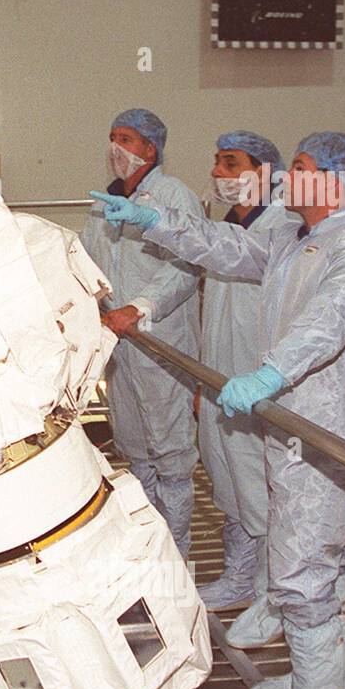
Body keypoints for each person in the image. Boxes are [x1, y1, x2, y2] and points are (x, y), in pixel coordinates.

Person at [91, 132, 345, 689]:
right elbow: (228, 249)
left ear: (336, 183)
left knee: (299, 565)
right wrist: (156, 220)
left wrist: (269, 373)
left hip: (327, 428)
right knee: (320, 558)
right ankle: (326, 686)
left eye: (305, 169)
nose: (289, 177)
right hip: (294, 421)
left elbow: (332, 322)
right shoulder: (294, 237)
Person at [80, 109, 202, 558]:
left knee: (170, 456)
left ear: (151, 149)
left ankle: (177, 559)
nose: (116, 147)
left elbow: (186, 264)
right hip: (119, 346)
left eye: (127, 138)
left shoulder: (174, 197)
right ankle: (150, 549)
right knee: (134, 449)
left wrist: (138, 307)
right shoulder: (104, 201)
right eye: (112, 137)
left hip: (160, 343)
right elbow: (86, 261)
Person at [195, 132, 290, 612]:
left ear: (264, 173)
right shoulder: (223, 230)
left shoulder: (283, 230)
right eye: (216, 162)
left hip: (258, 386)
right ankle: (239, 578)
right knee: (228, 483)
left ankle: (269, 590)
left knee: (258, 488)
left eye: (230, 164)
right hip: (219, 382)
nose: (218, 173)